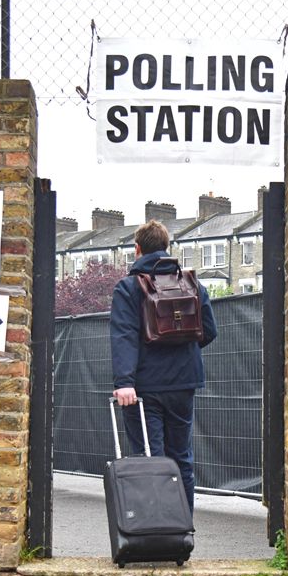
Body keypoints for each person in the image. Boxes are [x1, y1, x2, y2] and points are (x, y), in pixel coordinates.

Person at [110, 219, 217, 512]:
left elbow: (124, 336)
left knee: (149, 457)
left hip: (143, 388)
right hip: (183, 384)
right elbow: (209, 331)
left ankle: (156, 529)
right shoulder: (193, 283)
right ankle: (183, 528)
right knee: (181, 457)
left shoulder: (129, 287)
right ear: (166, 247)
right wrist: (181, 352)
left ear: (137, 249)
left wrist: (124, 382)